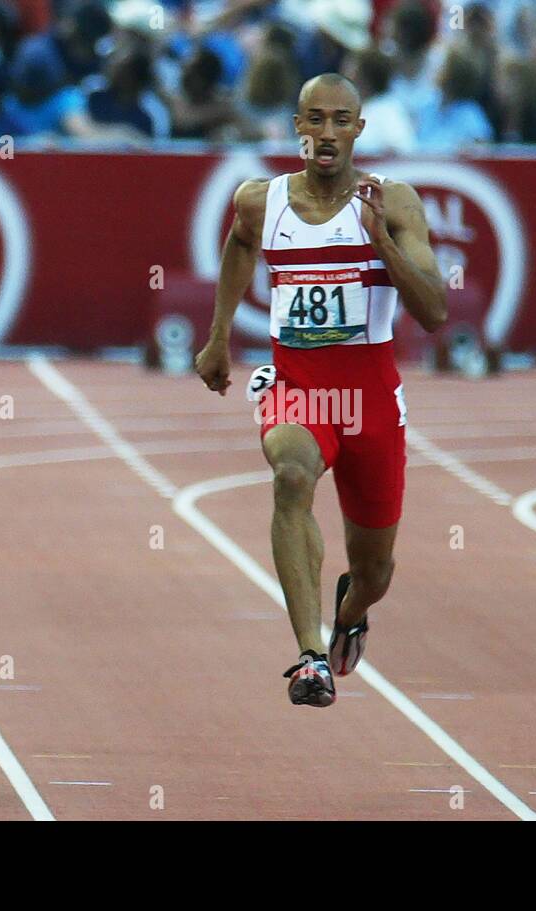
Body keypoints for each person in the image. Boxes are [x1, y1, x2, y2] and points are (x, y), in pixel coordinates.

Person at [194, 74, 446, 707]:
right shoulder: (260, 200)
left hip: (371, 402)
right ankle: (311, 657)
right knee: (292, 476)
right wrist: (219, 336)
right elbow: (238, 245)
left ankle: (351, 610)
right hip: (298, 389)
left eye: (340, 120)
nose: (327, 133)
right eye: (315, 120)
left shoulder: (394, 203)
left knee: (374, 571)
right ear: (297, 128)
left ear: (359, 129)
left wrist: (382, 243)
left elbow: (436, 310)